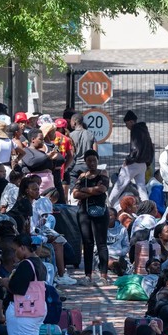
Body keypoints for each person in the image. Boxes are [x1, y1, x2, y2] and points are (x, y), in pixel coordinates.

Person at [6, 235, 48, 335]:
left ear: (23, 248)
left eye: (15, 249)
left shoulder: (26, 264)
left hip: (24, 312)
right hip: (37, 310)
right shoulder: (40, 263)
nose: (14, 253)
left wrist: (5, 282)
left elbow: (17, 288)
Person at [72, 150, 110, 286]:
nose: (92, 163)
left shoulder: (103, 174)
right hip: (84, 212)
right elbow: (75, 194)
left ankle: (103, 275)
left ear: (97, 160)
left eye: (94, 160)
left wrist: (85, 190)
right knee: (87, 243)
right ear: (86, 162)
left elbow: (102, 188)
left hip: (100, 212)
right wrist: (92, 191)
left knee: (101, 244)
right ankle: (88, 275)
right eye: (89, 161)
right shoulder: (82, 176)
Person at [108, 111, 154, 206]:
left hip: (134, 162)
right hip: (143, 164)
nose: (126, 126)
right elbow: (151, 147)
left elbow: (135, 147)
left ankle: (108, 205)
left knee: (119, 185)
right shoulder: (144, 130)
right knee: (141, 188)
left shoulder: (135, 129)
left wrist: (128, 160)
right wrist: (147, 163)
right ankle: (147, 207)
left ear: (130, 122)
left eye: (126, 124)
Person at [19, 129, 56, 193]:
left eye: (43, 139)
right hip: (36, 184)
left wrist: (52, 159)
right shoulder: (26, 150)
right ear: (33, 139)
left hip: (48, 184)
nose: (43, 142)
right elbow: (31, 163)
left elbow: (50, 167)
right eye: (40, 139)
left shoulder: (42, 152)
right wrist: (47, 156)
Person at [66, 112, 97, 183]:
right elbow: (95, 152)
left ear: (74, 122)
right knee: (87, 186)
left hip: (74, 166)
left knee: (73, 189)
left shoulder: (70, 136)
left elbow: (69, 152)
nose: (70, 123)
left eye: (71, 121)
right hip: (87, 166)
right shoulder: (91, 135)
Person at [106, 208, 130, 276]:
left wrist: (121, 252)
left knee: (125, 261)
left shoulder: (122, 229)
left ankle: (117, 266)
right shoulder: (100, 228)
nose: (108, 217)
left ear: (116, 217)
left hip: (119, 255)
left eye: (110, 215)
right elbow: (96, 245)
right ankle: (116, 266)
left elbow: (126, 245)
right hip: (104, 255)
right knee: (104, 260)